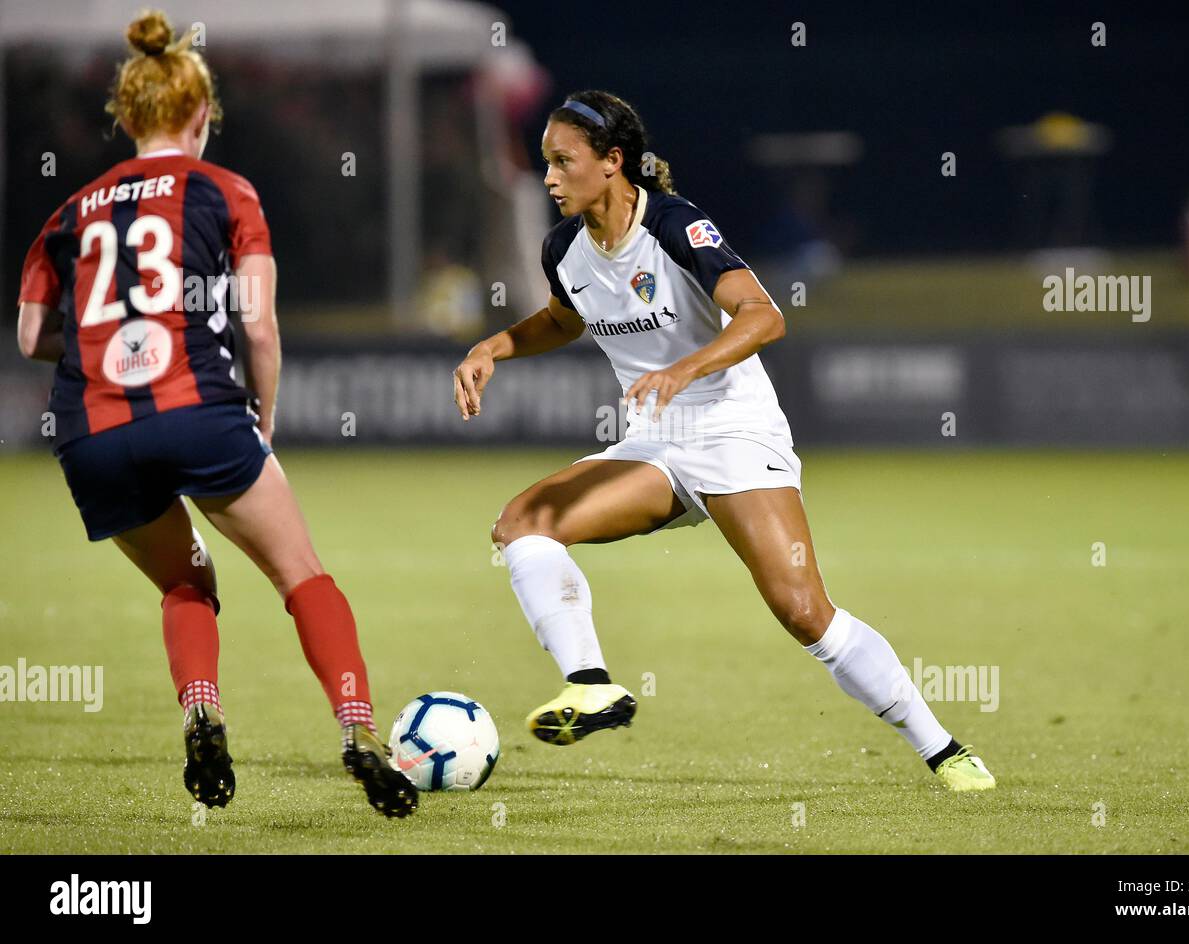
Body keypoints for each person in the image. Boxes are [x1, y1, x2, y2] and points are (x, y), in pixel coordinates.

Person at [453, 90, 995, 791]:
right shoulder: (563, 247)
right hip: (655, 444)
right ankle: (591, 684)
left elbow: (764, 317)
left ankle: (944, 750)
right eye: (546, 162)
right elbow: (564, 320)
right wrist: (492, 346)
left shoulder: (678, 228)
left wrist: (686, 368)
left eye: (564, 161)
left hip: (734, 431)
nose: (550, 177)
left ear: (613, 162)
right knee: (523, 523)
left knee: (803, 612)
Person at [15, 10, 416, 817]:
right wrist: (261, 425)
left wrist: (98, 337)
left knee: (186, 580)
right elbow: (259, 324)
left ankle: (202, 710)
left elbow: (30, 336)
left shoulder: (71, 210)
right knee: (302, 575)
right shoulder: (226, 189)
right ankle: (358, 732)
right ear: (201, 116)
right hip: (198, 408)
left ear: (125, 118)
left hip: (91, 431)